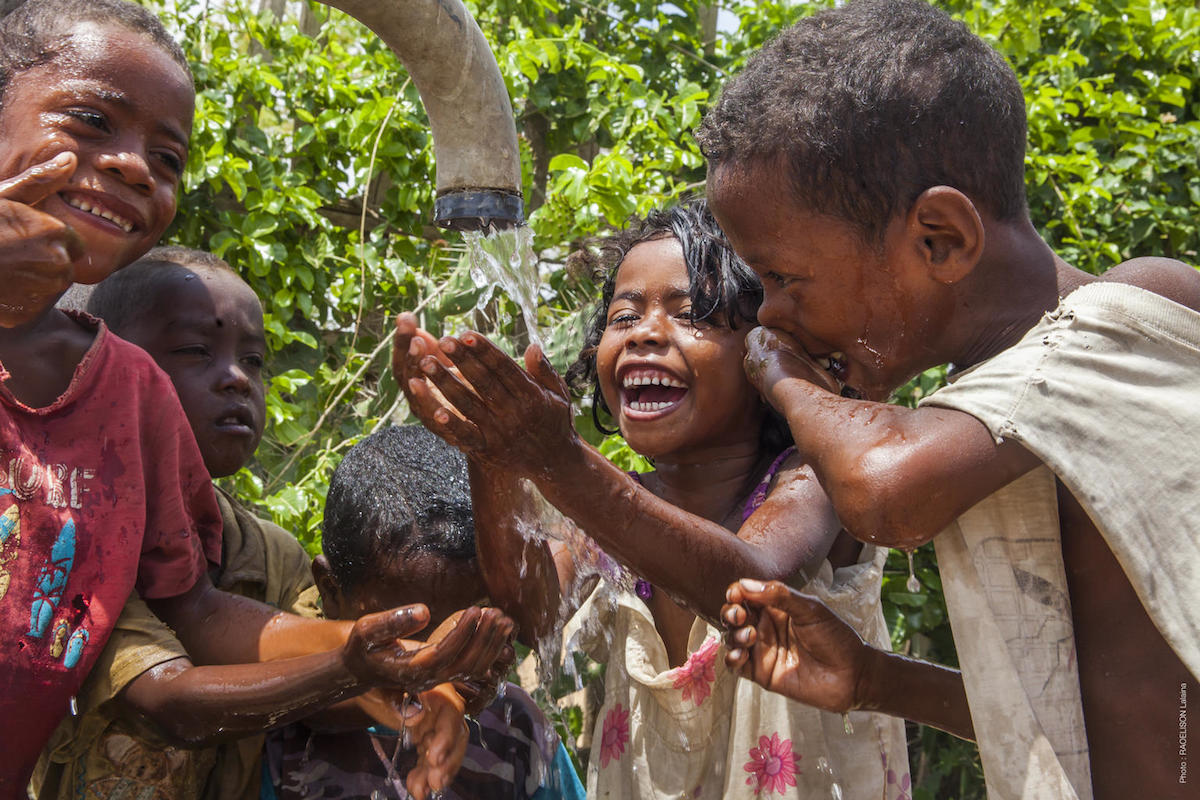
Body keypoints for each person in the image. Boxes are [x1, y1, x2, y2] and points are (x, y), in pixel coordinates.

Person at [694, 1, 1200, 798]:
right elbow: (1085, 709)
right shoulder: (981, 422)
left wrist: (775, 371)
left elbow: (884, 492)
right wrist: (872, 679)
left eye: (785, 280)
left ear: (942, 240)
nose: (770, 316)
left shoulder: (1142, 307)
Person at [0, 3, 509, 794]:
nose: (136, 165)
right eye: (93, 120)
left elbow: (196, 610)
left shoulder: (130, 391)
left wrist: (366, 653)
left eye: (167, 158)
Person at [392, 200, 911, 799]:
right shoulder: (611, 514)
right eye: (623, 316)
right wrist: (490, 454)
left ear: (769, 352)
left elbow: (752, 578)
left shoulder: (812, 478)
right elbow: (533, 609)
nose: (644, 333)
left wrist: (558, 459)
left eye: (690, 314)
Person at [33, 248, 484, 800]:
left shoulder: (270, 556)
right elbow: (170, 705)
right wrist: (361, 670)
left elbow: (316, 699)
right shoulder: (64, 535)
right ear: (106, 367)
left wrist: (419, 694)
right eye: (197, 351)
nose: (237, 380)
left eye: (254, 361)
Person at [262, 424, 586, 800]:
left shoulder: (514, 730)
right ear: (330, 591)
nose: (443, 667)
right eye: (409, 636)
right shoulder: (281, 735)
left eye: (468, 626)